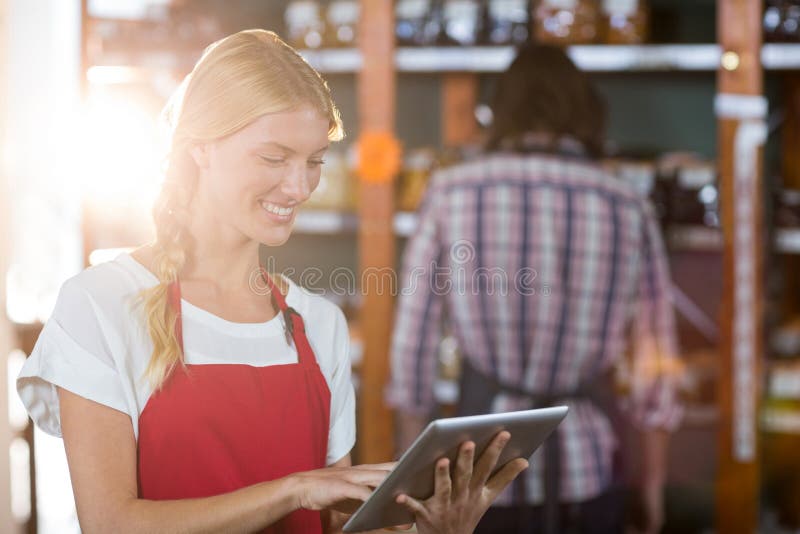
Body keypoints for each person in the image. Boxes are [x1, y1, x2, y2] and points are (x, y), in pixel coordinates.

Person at [16, 29, 528, 534]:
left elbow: (333, 524)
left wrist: (435, 531)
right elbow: (111, 524)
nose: (299, 186)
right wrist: (294, 489)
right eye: (274, 158)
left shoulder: (316, 323)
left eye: (313, 162)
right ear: (200, 148)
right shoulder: (100, 304)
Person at [387, 44, 683, 534]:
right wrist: (651, 488)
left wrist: (412, 482)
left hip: (475, 475)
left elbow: (411, 353)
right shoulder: (627, 205)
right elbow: (656, 371)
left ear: (499, 111)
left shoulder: (450, 193)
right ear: (587, 112)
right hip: (589, 468)